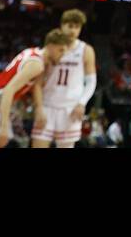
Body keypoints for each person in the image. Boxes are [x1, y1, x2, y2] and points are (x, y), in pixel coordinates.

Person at [0, 30, 71, 149]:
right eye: (61, 50)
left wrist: (39, 109)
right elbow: (8, 90)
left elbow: (35, 86)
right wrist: (4, 126)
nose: (62, 55)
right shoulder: (37, 65)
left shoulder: (32, 52)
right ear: (50, 46)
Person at [33, 9, 96, 149]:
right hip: (47, 105)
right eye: (70, 26)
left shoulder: (86, 50)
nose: (73, 30)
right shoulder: (51, 47)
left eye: (77, 27)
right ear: (62, 25)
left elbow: (91, 81)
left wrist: (82, 103)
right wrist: (38, 108)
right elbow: (37, 83)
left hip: (70, 108)